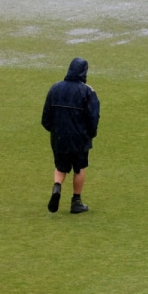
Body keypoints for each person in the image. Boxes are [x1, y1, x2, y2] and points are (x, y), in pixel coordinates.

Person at [42, 57, 100, 214]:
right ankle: (76, 201)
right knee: (79, 168)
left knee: (60, 166)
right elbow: (93, 117)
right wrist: (91, 134)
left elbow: (46, 117)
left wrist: (53, 130)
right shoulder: (87, 91)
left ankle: (57, 186)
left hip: (59, 136)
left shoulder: (55, 88)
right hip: (79, 137)